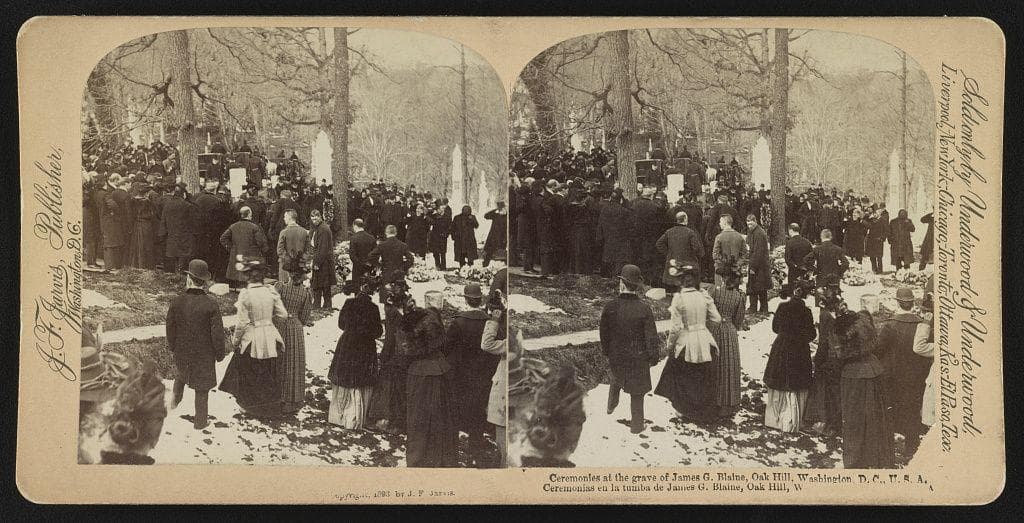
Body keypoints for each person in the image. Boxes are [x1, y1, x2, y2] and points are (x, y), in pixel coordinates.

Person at [219, 257, 288, 418]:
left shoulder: (246, 295)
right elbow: (283, 315)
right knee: (267, 371)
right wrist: (268, 322)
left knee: (249, 371)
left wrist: (235, 341)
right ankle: (269, 407)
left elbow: (242, 323)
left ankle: (252, 407)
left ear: (248, 276)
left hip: (253, 337)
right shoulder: (270, 291)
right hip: (270, 336)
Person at [600, 264, 662, 434]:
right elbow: (651, 337)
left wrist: (607, 351)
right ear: (637, 287)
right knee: (638, 392)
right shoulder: (644, 309)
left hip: (617, 355)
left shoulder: (610, 306)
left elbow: (603, 333)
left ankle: (612, 402)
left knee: (617, 376)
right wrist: (653, 356)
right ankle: (636, 425)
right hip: (638, 358)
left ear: (621, 284)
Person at [655, 264, 721, 423]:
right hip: (704, 338)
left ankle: (685, 410)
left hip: (687, 339)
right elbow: (717, 319)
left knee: (684, 375)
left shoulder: (679, 298)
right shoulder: (703, 295)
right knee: (702, 377)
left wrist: (670, 345)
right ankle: (702, 412)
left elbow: (676, 327)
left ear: (681, 281)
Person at [166, 259, 226, 430]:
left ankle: (172, 407)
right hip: (204, 356)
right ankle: (200, 423)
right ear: (204, 282)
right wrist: (219, 354)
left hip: (182, 353)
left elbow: (170, 327)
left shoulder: (177, 301)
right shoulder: (211, 304)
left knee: (181, 376)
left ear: (189, 279)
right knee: (202, 390)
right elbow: (217, 334)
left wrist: (173, 347)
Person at [832, 303, 894, 469]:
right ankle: (876, 457)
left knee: (854, 420)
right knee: (875, 417)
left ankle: (855, 460)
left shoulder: (843, 330)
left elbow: (840, 355)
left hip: (854, 376)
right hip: (874, 371)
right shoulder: (865, 320)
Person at [404, 290, 458, 467]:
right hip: (437, 371)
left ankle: (419, 457)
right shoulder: (434, 319)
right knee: (439, 418)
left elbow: (409, 346)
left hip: (419, 372)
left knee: (419, 418)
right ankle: (439, 457)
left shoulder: (420, 319)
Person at [445, 284, 497, 465]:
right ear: (480, 299)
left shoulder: (458, 321)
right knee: (478, 410)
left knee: (458, 406)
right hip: (483, 374)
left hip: (461, 374)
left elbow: (446, 347)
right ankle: (475, 448)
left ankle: (454, 448)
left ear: (465, 299)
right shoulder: (489, 321)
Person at [877, 286, 931, 458]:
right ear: (912, 303)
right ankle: (911, 448)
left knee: (890, 409)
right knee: (913, 411)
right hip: (916, 377)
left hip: (893, 377)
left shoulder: (889, 325)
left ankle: (888, 449)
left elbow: (878, 350)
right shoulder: (922, 324)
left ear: (897, 302)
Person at [328, 278, 383, 429]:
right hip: (365, 346)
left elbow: (341, 324)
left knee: (345, 376)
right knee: (360, 379)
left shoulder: (349, 303)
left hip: (348, 343)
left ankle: (338, 416)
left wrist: (352, 329)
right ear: (371, 291)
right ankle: (354, 417)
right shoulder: (373, 308)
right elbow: (378, 331)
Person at [762, 283, 816, 433]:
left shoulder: (782, 307)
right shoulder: (806, 311)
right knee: (796, 382)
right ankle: (792, 419)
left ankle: (775, 418)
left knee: (779, 378)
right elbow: (811, 335)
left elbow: (775, 328)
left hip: (782, 346)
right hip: (799, 349)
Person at [273, 261, 312, 415]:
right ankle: (291, 400)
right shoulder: (306, 293)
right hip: (296, 328)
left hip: (279, 325)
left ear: (289, 274)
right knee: (294, 362)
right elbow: (305, 317)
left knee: (279, 360)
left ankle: (277, 397)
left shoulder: (280, 287)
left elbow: (272, 307)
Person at [708, 262, 745, 418]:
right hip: (730, 331)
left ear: (723, 278)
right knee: (729, 366)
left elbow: (707, 312)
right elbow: (739, 320)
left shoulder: (714, 292)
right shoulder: (739, 296)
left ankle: (712, 401)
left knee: (715, 364)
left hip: (714, 330)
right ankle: (727, 404)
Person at [481, 290, 508, 467]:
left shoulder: (512, 342)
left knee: (503, 444)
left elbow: (487, 344)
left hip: (505, 394)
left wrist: (494, 322)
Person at [220, 206, 269, 289]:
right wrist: (264, 250)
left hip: (236, 254)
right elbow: (261, 242)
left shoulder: (233, 226)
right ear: (249, 214)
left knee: (237, 274)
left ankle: (237, 286)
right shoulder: (255, 227)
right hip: (251, 255)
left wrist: (231, 248)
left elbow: (222, 238)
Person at [656, 211, 704, 293]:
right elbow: (697, 249)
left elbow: (659, 244)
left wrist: (668, 253)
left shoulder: (669, 232)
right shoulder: (690, 232)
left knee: (672, 289)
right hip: (687, 264)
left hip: (673, 264)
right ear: (685, 220)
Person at [159, 185, 197, 273]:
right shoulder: (188, 206)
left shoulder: (167, 205)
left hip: (171, 237)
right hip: (184, 238)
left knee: (172, 259)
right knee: (183, 261)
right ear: (183, 194)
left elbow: (163, 221)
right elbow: (192, 223)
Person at [596, 189, 634, 278]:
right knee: (619, 263)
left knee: (608, 261)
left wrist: (600, 238)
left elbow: (600, 224)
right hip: (621, 241)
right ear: (620, 200)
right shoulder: (624, 211)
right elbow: (632, 222)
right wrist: (626, 203)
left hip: (608, 239)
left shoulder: (604, 209)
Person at [308, 210, 337, 309]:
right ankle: (321, 304)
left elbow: (323, 248)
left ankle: (321, 304)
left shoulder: (323, 229)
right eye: (312, 218)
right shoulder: (318, 228)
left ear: (320, 217)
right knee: (322, 283)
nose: (314, 220)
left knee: (322, 283)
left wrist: (317, 263)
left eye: (316, 218)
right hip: (322, 259)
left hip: (323, 261)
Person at [101, 174, 130, 270]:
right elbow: (112, 205)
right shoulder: (108, 193)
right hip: (112, 221)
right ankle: (111, 266)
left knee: (113, 243)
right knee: (112, 243)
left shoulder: (112, 192)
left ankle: (112, 265)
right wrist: (117, 212)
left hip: (111, 220)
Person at [745, 214, 771, 314]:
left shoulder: (758, 234)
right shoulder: (754, 232)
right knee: (760, 287)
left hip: (759, 265)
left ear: (755, 221)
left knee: (756, 287)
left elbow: (758, 252)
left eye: (751, 223)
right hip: (760, 265)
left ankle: (754, 308)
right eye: (748, 224)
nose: (749, 226)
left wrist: (753, 267)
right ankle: (762, 308)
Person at [276, 209, 310, 284]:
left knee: (284, 288)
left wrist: (289, 260)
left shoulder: (283, 232)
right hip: (300, 266)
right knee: (299, 288)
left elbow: (280, 250)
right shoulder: (304, 232)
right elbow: (308, 250)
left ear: (289, 217)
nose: (284, 218)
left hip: (285, 266)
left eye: (285, 216)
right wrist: (301, 259)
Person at [711, 214, 747, 286]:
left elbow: (715, 255)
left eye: (720, 222)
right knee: (734, 293)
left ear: (725, 223)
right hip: (735, 271)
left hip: (721, 271)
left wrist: (723, 262)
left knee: (720, 293)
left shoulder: (719, 237)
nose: (719, 224)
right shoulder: (739, 237)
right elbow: (744, 254)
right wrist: (737, 264)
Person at [348, 218, 377, 286]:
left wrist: (360, 264)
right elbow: (376, 254)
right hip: (369, 268)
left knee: (357, 290)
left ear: (355, 226)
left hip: (357, 269)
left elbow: (352, 255)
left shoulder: (353, 238)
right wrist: (370, 263)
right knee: (368, 289)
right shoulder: (371, 238)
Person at [482, 201, 507, 267]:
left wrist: (505, 238)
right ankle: (485, 266)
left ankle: (502, 268)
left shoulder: (506, 216)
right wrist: (495, 209)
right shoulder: (496, 215)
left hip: (501, 237)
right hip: (493, 237)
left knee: (502, 254)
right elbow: (486, 216)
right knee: (489, 253)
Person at [428, 201, 451, 270]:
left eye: (441, 209)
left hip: (442, 236)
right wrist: (432, 213)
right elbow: (429, 218)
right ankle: (437, 265)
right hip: (435, 236)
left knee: (443, 252)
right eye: (438, 209)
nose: (439, 210)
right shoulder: (434, 216)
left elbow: (450, 227)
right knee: (435, 252)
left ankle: (443, 266)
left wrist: (446, 234)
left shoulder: (447, 217)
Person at [865, 208, 888, 274]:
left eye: (876, 213)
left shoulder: (883, 220)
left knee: (879, 256)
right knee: (872, 256)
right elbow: (868, 225)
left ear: (880, 214)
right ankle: (874, 269)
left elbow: (886, 231)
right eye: (874, 213)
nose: (875, 214)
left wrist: (882, 238)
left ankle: (880, 270)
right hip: (871, 240)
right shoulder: (872, 220)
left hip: (878, 240)